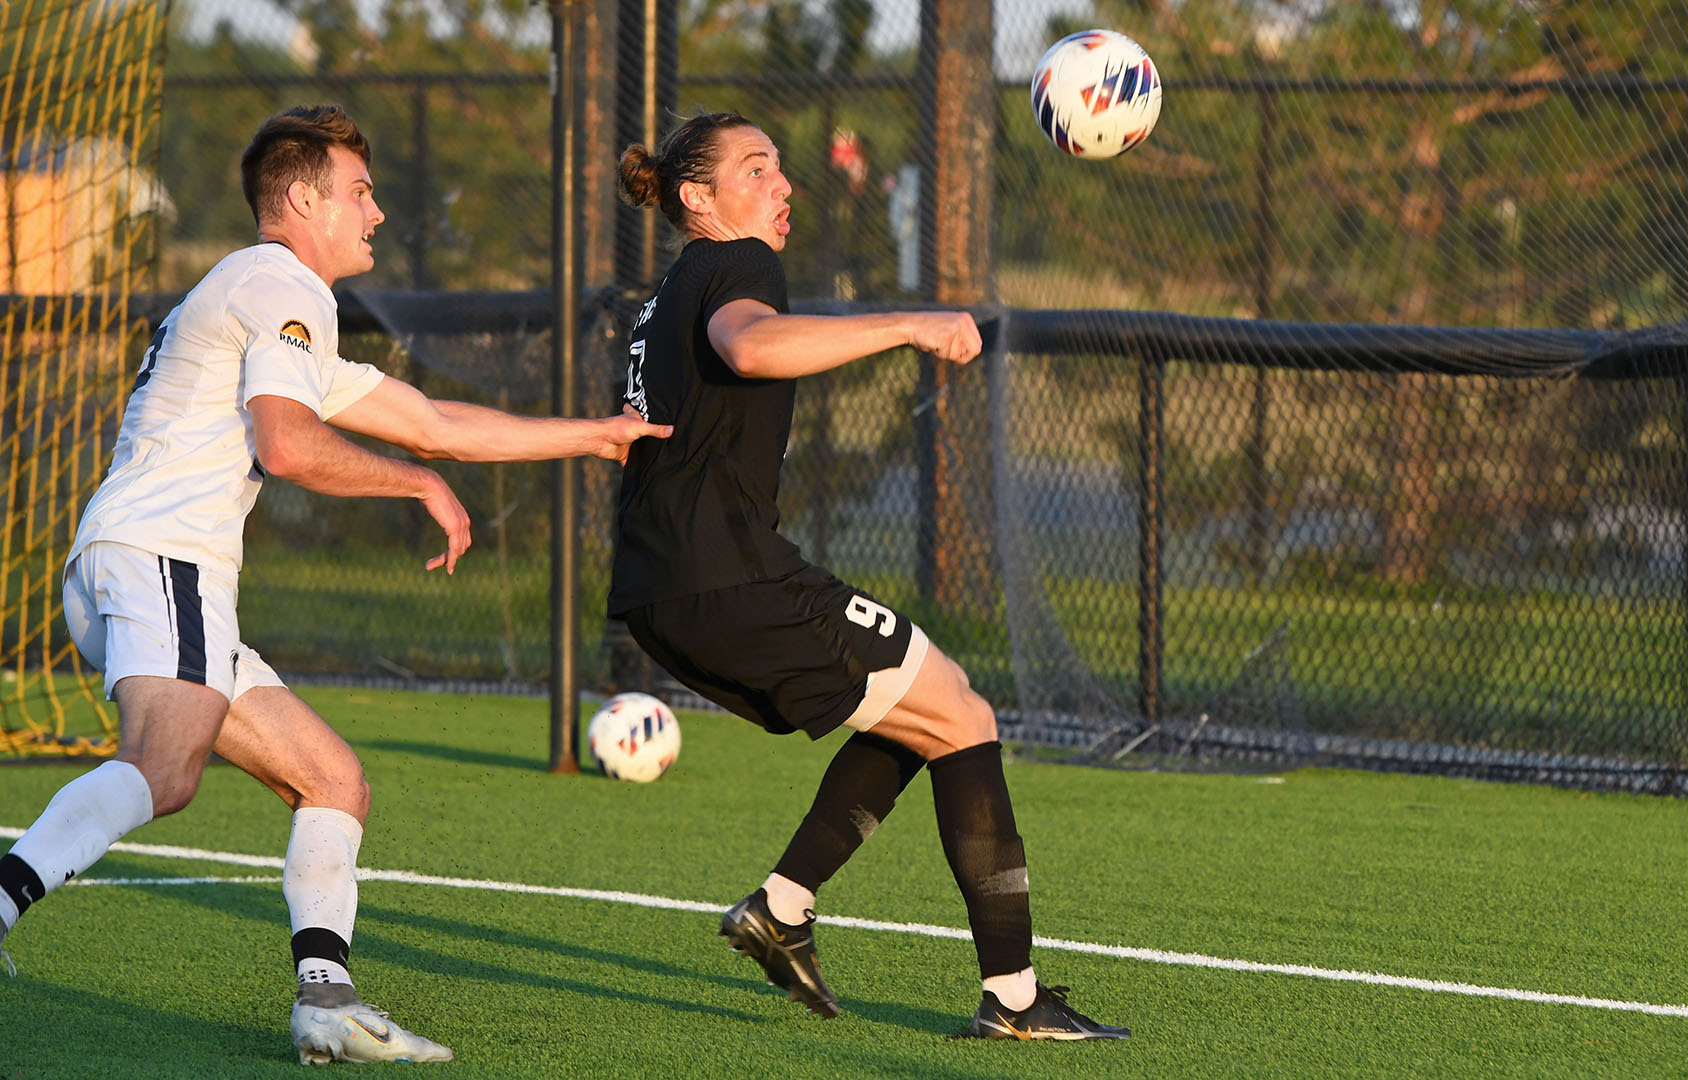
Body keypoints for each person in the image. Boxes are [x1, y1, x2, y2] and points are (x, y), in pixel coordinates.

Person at [0, 104, 671, 1065]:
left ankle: (326, 1001)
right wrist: (417, 484)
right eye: (359, 191)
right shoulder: (281, 280)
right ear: (303, 199)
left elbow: (434, 420)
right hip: (163, 562)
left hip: (144, 570)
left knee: (332, 780)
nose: (378, 212)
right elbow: (288, 443)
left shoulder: (270, 304)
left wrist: (595, 436)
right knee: (165, 770)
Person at [610, 112, 1128, 1041]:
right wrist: (910, 325)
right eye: (755, 169)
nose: (782, 185)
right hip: (731, 579)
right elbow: (752, 348)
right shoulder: (739, 268)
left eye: (781, 167)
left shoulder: (668, 293)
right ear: (698, 198)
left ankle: (785, 906)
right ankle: (1012, 1001)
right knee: (964, 718)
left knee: (929, 711)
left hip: (662, 594)